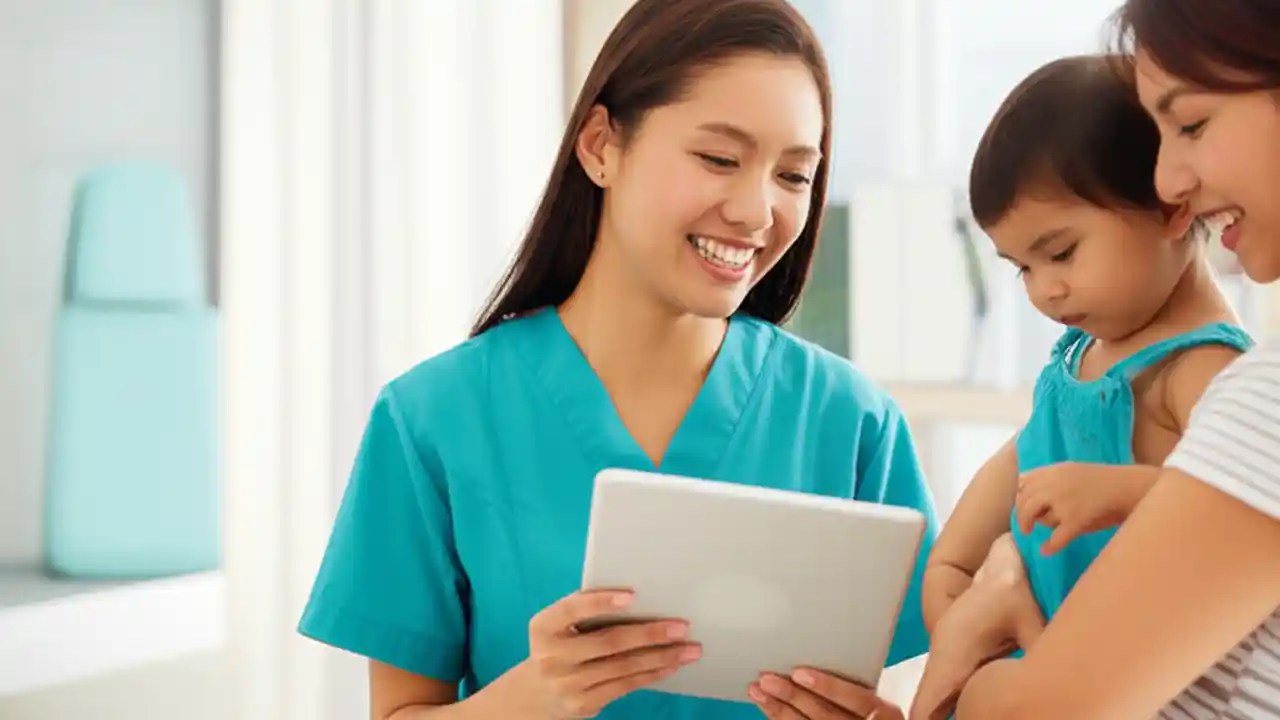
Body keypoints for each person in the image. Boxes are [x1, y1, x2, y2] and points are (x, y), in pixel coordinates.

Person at [297, 1, 939, 718]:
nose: (758, 211)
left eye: (794, 176)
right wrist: (531, 698)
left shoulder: (852, 424)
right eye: (719, 159)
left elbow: (912, 691)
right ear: (602, 145)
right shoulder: (432, 419)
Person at [924, 2, 1280, 718]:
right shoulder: (1078, 365)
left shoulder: (1214, 376)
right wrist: (960, 600)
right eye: (1021, 268)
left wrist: (975, 668)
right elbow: (999, 496)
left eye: (1192, 123)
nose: (1172, 176)